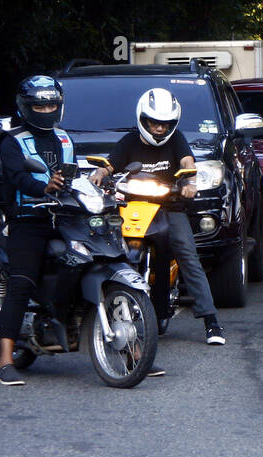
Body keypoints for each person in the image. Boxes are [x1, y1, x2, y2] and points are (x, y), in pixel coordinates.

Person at [91, 87, 226, 348]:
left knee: (187, 254)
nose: (159, 129)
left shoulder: (177, 141)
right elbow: (110, 164)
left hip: (169, 207)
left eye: (165, 124)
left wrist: (190, 181)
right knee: (110, 252)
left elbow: (188, 163)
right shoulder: (129, 141)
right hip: (134, 207)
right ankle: (108, 318)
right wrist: (100, 173)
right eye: (154, 123)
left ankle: (211, 321)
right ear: (143, 119)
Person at [0, 75, 74, 386]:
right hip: (28, 220)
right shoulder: (12, 141)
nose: (47, 109)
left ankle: (135, 351)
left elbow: (74, 172)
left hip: (65, 218)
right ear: (26, 107)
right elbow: (17, 178)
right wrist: (43, 187)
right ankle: (4, 362)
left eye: (52, 104)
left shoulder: (65, 138)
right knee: (21, 282)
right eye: (40, 105)